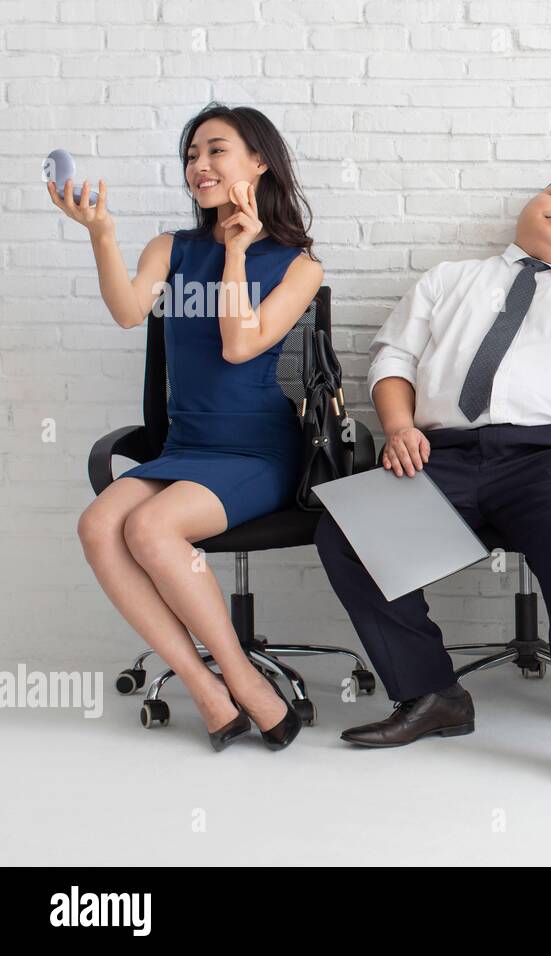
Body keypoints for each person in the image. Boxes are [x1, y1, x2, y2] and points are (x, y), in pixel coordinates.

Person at [315, 174, 551, 796]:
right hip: (440, 453)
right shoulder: (448, 279)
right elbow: (393, 360)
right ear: (528, 211)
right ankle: (431, 694)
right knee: (346, 529)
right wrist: (398, 428)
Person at [67, 103, 323, 752]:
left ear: (258, 163)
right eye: (191, 155)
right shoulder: (170, 249)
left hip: (255, 451)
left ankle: (246, 683)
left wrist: (236, 249)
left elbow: (239, 346)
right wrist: (100, 231)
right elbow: (129, 312)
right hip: (186, 447)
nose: (200, 166)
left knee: (149, 527)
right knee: (99, 525)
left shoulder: (298, 265)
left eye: (216, 151)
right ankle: (209, 692)